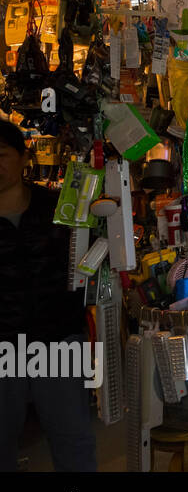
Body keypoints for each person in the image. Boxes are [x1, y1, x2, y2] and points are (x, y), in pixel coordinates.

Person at [0, 120, 96, 471]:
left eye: (2, 155)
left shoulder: (57, 208)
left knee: (74, 442)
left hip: (57, 341)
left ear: (24, 158)